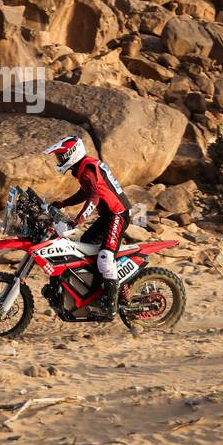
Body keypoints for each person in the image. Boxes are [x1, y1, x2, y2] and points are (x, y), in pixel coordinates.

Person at [43, 134, 131, 314]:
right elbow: (86, 193)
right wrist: (63, 203)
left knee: (105, 257)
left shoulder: (87, 170)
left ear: (72, 154)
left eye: (62, 156)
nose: (60, 160)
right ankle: (96, 291)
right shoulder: (84, 168)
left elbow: (94, 197)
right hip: (108, 215)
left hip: (118, 214)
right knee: (86, 246)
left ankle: (110, 305)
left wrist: (78, 220)